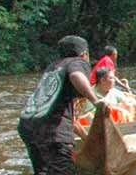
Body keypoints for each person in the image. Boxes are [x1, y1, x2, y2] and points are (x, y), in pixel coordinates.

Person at [18, 35, 103, 175]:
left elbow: (72, 119)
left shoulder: (52, 67)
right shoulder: (77, 61)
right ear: (84, 54)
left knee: (43, 171)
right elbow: (76, 75)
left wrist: (86, 138)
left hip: (28, 126)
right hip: (52, 129)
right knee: (63, 170)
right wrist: (96, 101)